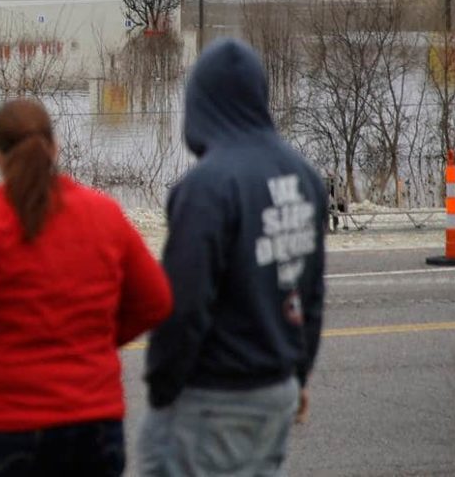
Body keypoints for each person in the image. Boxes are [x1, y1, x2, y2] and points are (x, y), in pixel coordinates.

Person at [0, 97, 173, 477]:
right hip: (92, 424)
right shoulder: (103, 214)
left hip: (0, 425)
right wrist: (99, 339)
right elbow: (155, 301)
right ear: (55, 146)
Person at [141, 38, 328, 477]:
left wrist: (162, 386)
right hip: (275, 391)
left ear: (201, 104)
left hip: (212, 397)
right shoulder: (304, 176)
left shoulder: (208, 187)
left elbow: (183, 304)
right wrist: (298, 374)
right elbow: (311, 293)